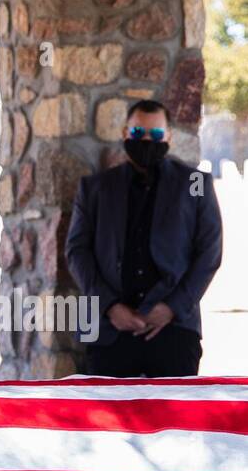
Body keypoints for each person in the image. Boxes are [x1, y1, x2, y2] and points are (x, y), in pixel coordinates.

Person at [66, 99, 222, 377]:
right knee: (105, 420)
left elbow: (209, 252)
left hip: (174, 331)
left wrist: (172, 308)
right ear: (126, 133)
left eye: (157, 134)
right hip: (108, 332)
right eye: (138, 133)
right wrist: (110, 306)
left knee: (176, 420)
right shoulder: (94, 187)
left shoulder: (195, 183)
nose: (147, 140)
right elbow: (77, 251)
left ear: (169, 137)